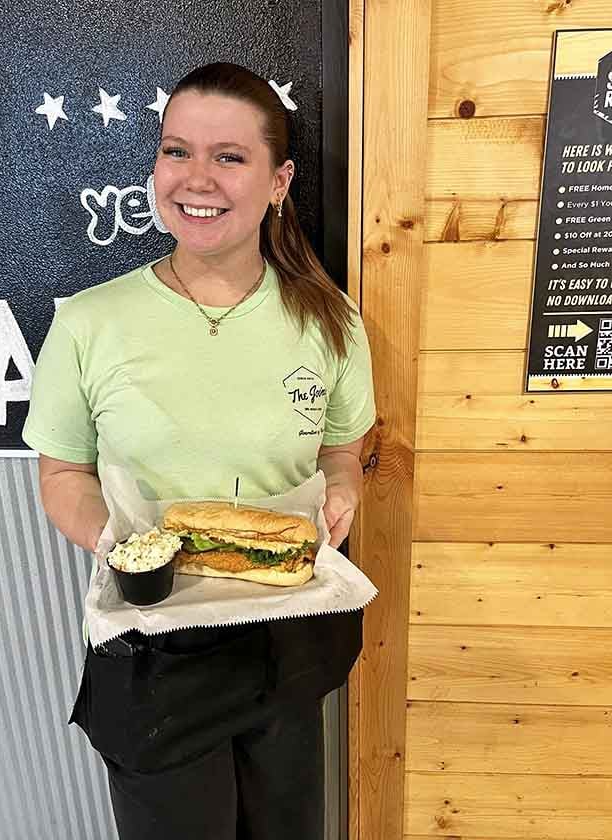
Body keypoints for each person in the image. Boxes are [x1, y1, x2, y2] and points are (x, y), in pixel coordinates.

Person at [22, 61, 376, 840]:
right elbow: (61, 474)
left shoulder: (331, 321)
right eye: (177, 151)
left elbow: (345, 454)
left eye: (228, 156)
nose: (196, 178)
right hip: (153, 649)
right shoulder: (89, 323)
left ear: (279, 181)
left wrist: (344, 492)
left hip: (290, 638)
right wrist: (121, 544)